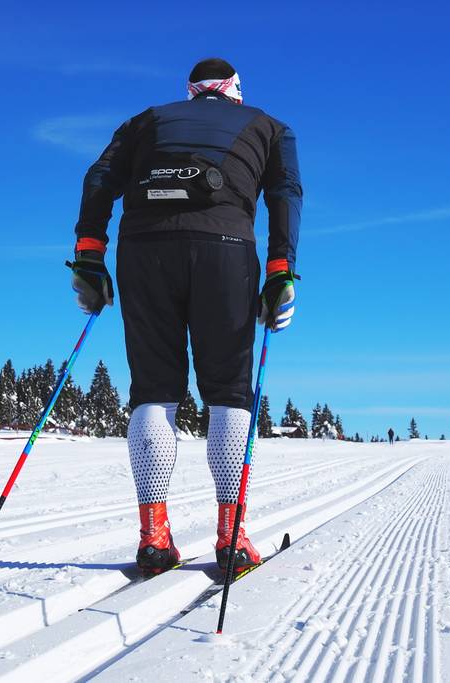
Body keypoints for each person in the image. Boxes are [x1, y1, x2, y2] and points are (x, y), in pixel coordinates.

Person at [70, 57, 302, 576]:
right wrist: (281, 270)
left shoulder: (144, 121)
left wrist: (89, 255)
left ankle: (154, 538)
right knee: (229, 392)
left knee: (153, 389)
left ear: (191, 92)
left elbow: (99, 177)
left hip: (143, 248)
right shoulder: (270, 127)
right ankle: (231, 537)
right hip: (226, 248)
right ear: (235, 90)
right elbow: (285, 193)